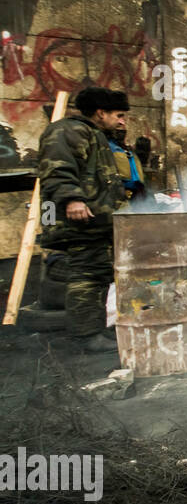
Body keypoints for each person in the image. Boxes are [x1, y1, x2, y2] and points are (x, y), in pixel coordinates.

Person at [36, 86, 130, 352]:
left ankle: (92, 331)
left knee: (97, 272)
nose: (122, 121)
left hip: (93, 220)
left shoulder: (93, 134)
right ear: (101, 112)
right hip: (77, 219)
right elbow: (56, 168)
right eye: (119, 115)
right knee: (85, 275)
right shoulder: (67, 131)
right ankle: (85, 337)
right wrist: (72, 199)